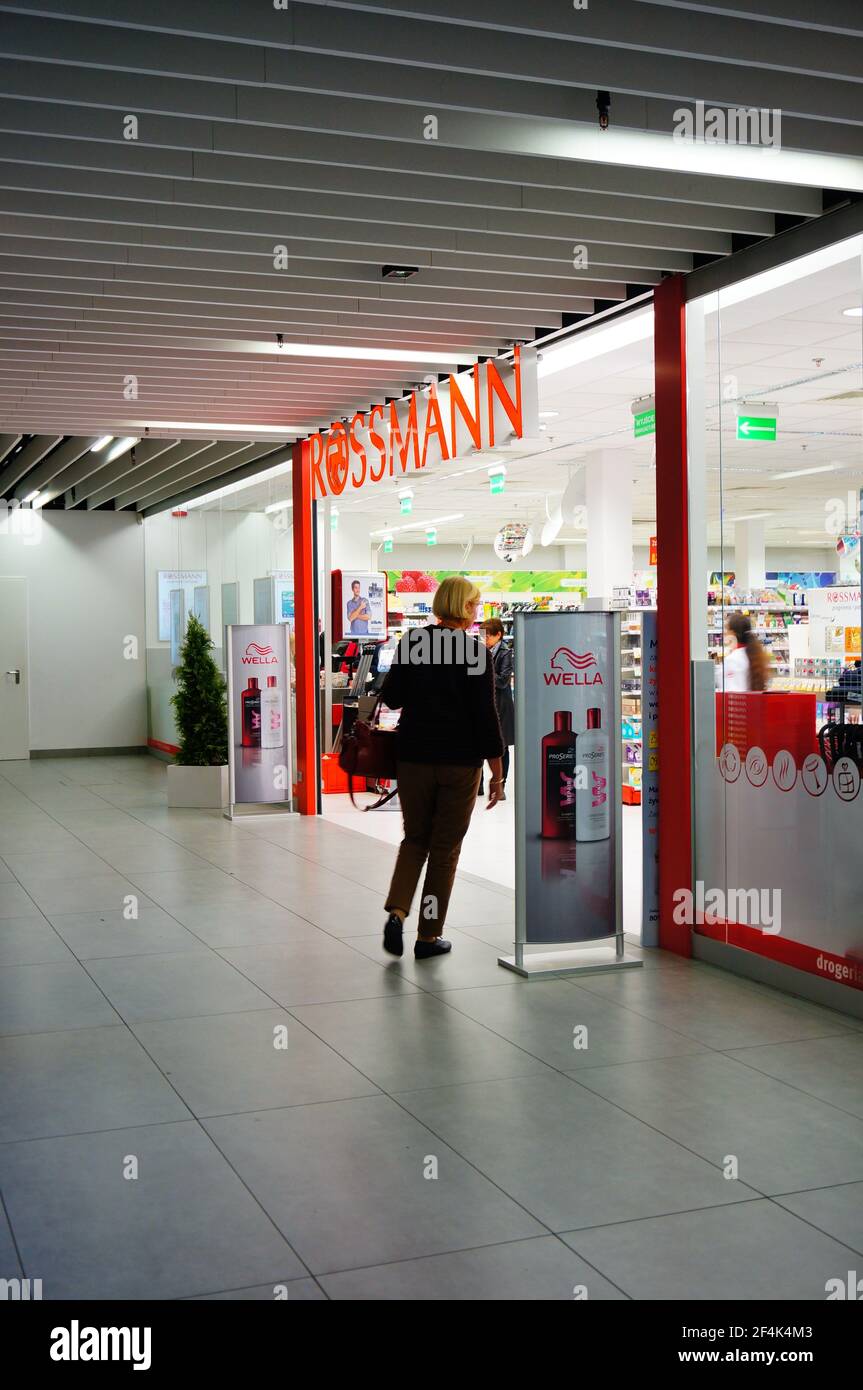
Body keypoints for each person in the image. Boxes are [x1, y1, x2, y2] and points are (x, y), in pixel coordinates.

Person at [379, 576, 505, 960]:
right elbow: (486, 718)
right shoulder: (474, 653)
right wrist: (497, 772)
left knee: (415, 839)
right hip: (459, 762)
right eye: (476, 604)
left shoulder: (413, 642)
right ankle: (428, 935)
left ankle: (398, 912)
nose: (478, 612)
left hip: (414, 756)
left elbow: (394, 697)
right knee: (445, 848)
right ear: (465, 608)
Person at [478, 619, 514, 797]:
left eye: (488, 636)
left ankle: (501, 786)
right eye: (482, 635)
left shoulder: (506, 652)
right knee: (479, 744)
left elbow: (503, 680)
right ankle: (479, 786)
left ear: (498, 634)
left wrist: (483, 669)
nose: (484, 639)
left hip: (501, 705)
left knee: (502, 746)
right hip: (484, 703)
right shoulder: (480, 651)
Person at [716, 612, 770, 692]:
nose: (724, 633)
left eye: (726, 629)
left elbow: (731, 692)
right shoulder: (755, 654)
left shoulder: (733, 659)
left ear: (733, 633)